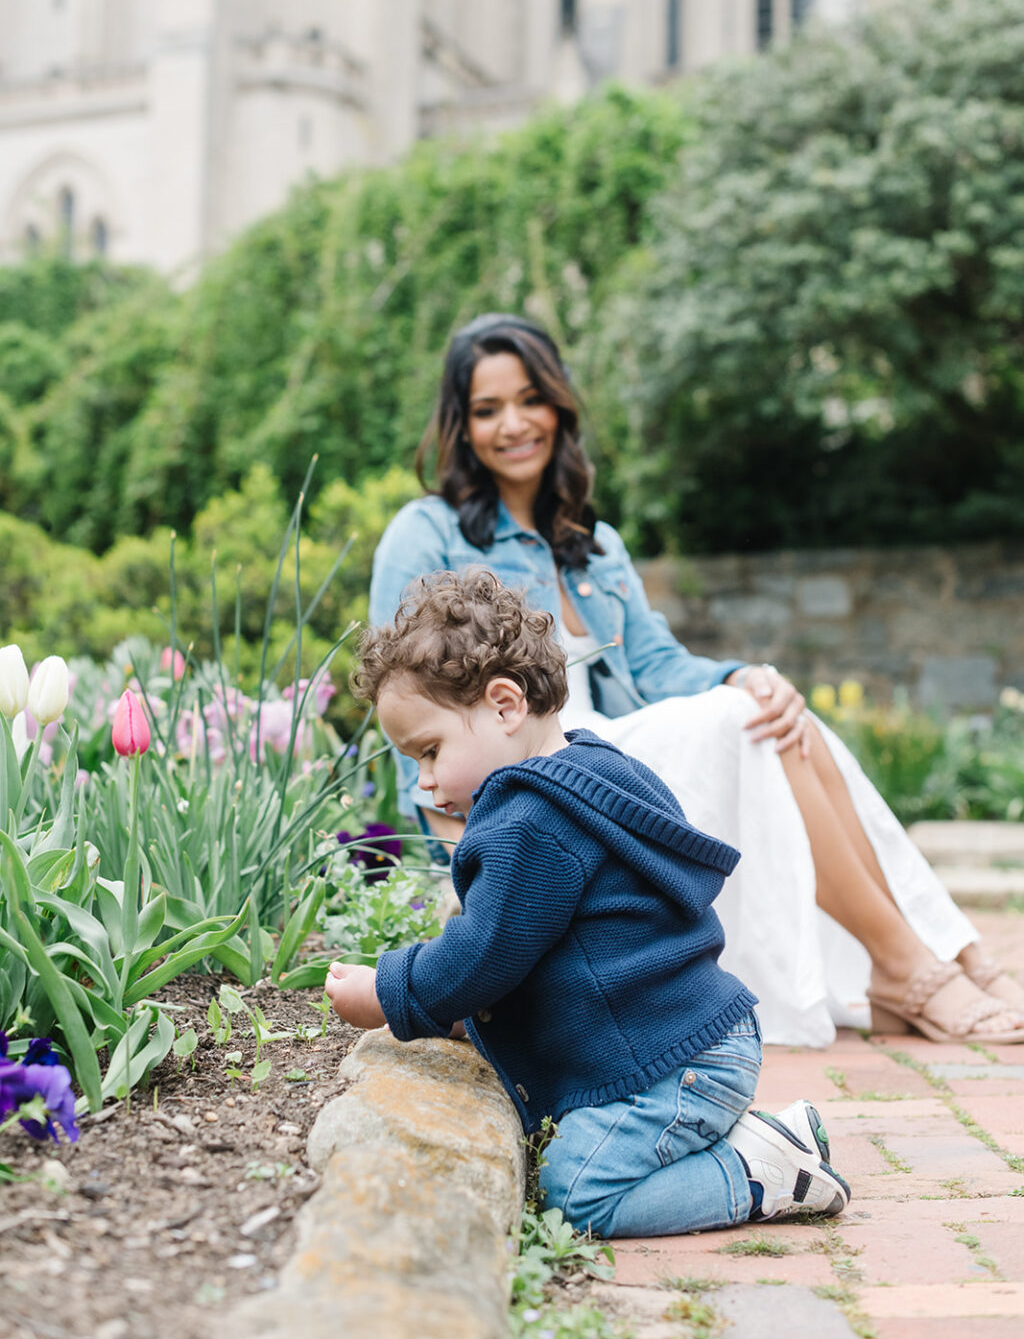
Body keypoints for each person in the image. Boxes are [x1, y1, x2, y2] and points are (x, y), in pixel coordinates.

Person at [368, 313, 1024, 1048]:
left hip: (613, 761)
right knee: (741, 721)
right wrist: (462, 852)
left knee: (774, 708)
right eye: (487, 410)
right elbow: (413, 712)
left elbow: (659, 668)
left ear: (559, 405)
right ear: (461, 428)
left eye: (530, 399)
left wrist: (746, 674)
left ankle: (949, 955)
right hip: (546, 775)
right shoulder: (426, 533)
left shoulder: (596, 547)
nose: (514, 424)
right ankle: (907, 966)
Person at [325, 567, 852, 1237]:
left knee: (575, 1194)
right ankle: (767, 1139)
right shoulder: (591, 768)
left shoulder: (529, 820)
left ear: (506, 705)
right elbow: (544, 950)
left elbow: (482, 954)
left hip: (672, 1067)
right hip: (694, 1046)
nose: (425, 785)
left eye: (429, 752)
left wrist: (391, 992)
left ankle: (758, 1171)